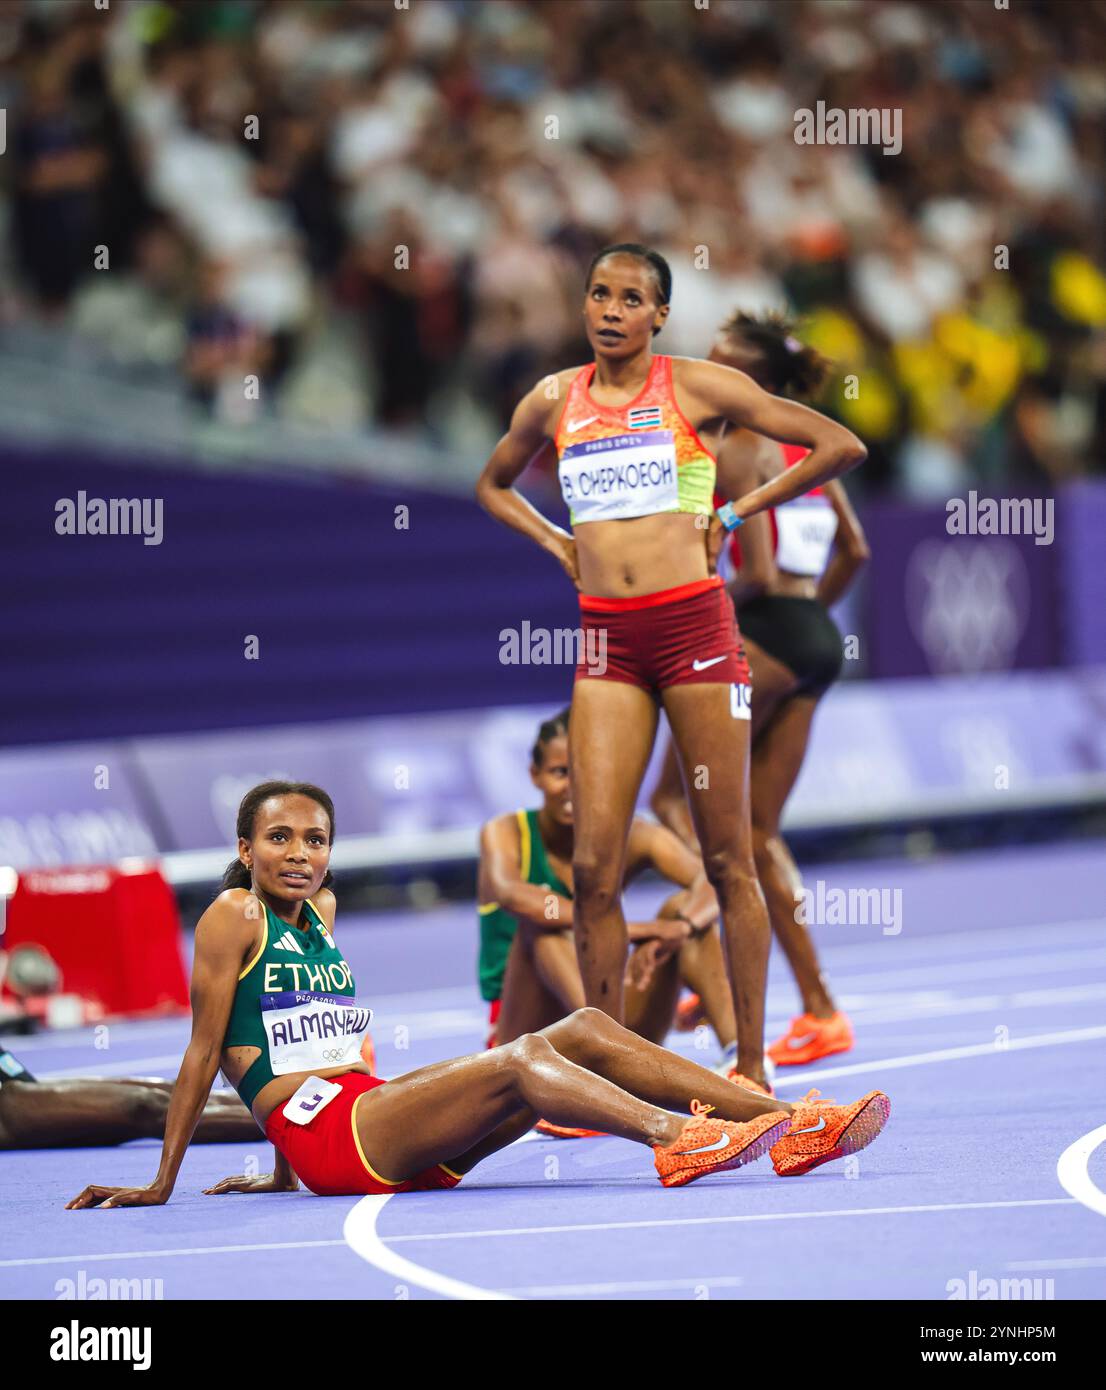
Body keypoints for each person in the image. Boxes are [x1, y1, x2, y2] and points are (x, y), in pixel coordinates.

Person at [67, 781, 890, 1205]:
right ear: (245, 848)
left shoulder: (319, 915)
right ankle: (674, 1137)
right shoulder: (232, 914)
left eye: (315, 839)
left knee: (587, 1026)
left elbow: (300, 1042)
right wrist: (162, 1181)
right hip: (346, 1143)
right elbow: (210, 1052)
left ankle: (787, 1125)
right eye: (279, 837)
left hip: (381, 1121)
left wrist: (278, 1179)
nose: (299, 853)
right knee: (525, 1055)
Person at [475, 243, 867, 1093]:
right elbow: (494, 484)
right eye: (598, 295)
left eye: (630, 299)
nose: (610, 310)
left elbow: (839, 445)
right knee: (594, 869)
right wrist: (557, 544)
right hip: (607, 639)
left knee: (729, 857)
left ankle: (755, 1066)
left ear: (659, 315)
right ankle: (610, 1072)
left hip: (695, 632)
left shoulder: (696, 386)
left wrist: (734, 511)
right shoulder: (553, 399)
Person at [651, 311, 869, 1067]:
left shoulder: (740, 449)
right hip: (814, 639)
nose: (706, 372)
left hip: (765, 633)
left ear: (757, 384)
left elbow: (757, 574)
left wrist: (686, 605)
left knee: (673, 803)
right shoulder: (808, 446)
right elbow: (856, 549)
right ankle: (818, 1008)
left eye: (722, 363)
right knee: (757, 832)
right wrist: (813, 618)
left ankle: (703, 933)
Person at [478, 708, 736, 1085]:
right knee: (545, 929)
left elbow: (713, 881)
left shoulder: (631, 834)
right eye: (560, 773)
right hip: (526, 1038)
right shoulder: (505, 833)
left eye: (584, 772)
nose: (572, 786)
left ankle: (739, 1059)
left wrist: (679, 928)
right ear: (535, 775)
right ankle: (605, 1051)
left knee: (684, 911)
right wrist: (639, 931)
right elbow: (518, 897)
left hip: (609, 1009)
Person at [0, 1043, 259, 1148]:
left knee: (170, 1090)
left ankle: (282, 1104)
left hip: (11, 1090)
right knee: (143, 1106)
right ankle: (285, 1125)